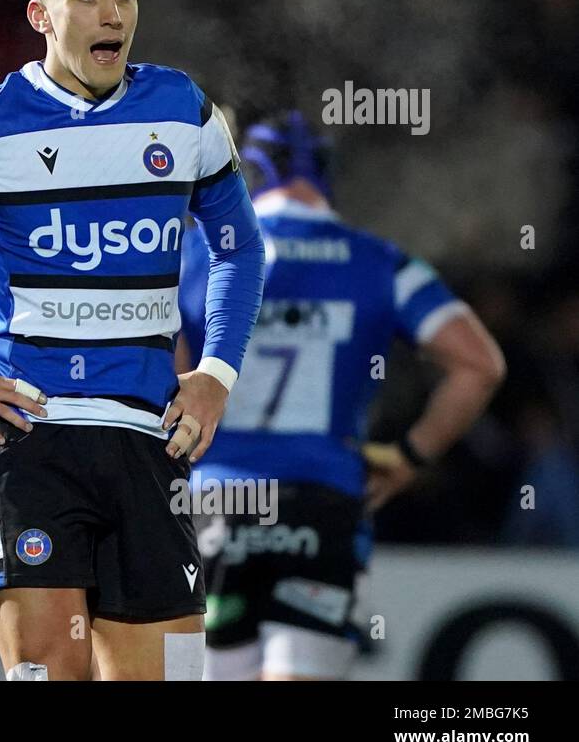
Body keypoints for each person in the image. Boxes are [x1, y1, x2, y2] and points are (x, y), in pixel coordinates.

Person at [0, 0, 265, 680]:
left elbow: (239, 245)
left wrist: (217, 374)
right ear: (40, 14)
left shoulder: (183, 110)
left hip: (148, 447)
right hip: (29, 448)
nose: (113, 14)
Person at [177, 110, 506, 680]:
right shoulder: (381, 262)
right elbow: (480, 365)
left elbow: (165, 371)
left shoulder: (193, 254)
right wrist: (410, 456)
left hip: (211, 501)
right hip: (323, 496)